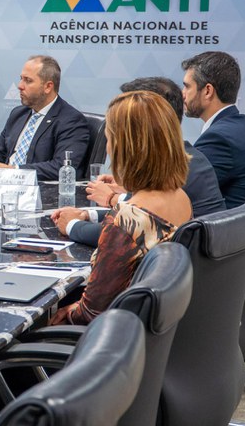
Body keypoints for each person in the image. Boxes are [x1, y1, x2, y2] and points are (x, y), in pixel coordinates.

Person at [50, 91, 192, 326]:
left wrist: (67, 312)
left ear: (125, 148)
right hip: (154, 332)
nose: (107, 149)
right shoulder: (181, 197)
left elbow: (91, 313)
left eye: (109, 140)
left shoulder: (125, 222)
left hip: (111, 344)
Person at [53, 77, 226, 247]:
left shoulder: (185, 170)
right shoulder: (180, 166)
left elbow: (127, 228)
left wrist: (72, 224)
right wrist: (88, 214)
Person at [0, 55, 89, 180]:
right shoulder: (18, 114)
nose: (20, 86)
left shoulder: (71, 121)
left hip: (40, 194)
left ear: (48, 87)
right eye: (21, 79)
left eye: (28, 80)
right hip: (2, 186)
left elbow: (61, 168)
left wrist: (13, 171)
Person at [181, 51, 245, 208]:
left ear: (207, 91)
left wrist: (123, 197)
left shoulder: (220, 138)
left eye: (187, 86)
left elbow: (177, 192)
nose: (182, 94)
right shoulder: (235, 126)